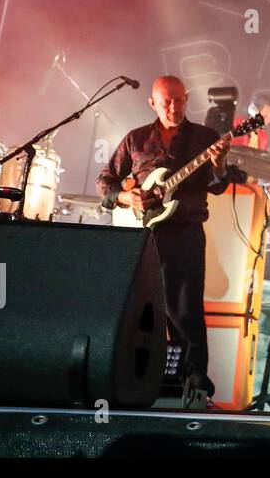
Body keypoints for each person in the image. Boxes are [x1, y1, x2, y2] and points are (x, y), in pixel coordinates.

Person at [97, 75, 244, 403]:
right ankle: (132, 375)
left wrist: (219, 162)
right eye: (166, 102)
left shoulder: (204, 137)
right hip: (139, 234)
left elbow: (218, 185)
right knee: (136, 307)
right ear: (153, 103)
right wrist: (128, 199)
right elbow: (106, 181)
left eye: (179, 100)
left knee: (184, 308)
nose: (174, 107)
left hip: (184, 232)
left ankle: (194, 382)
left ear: (187, 98)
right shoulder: (135, 140)